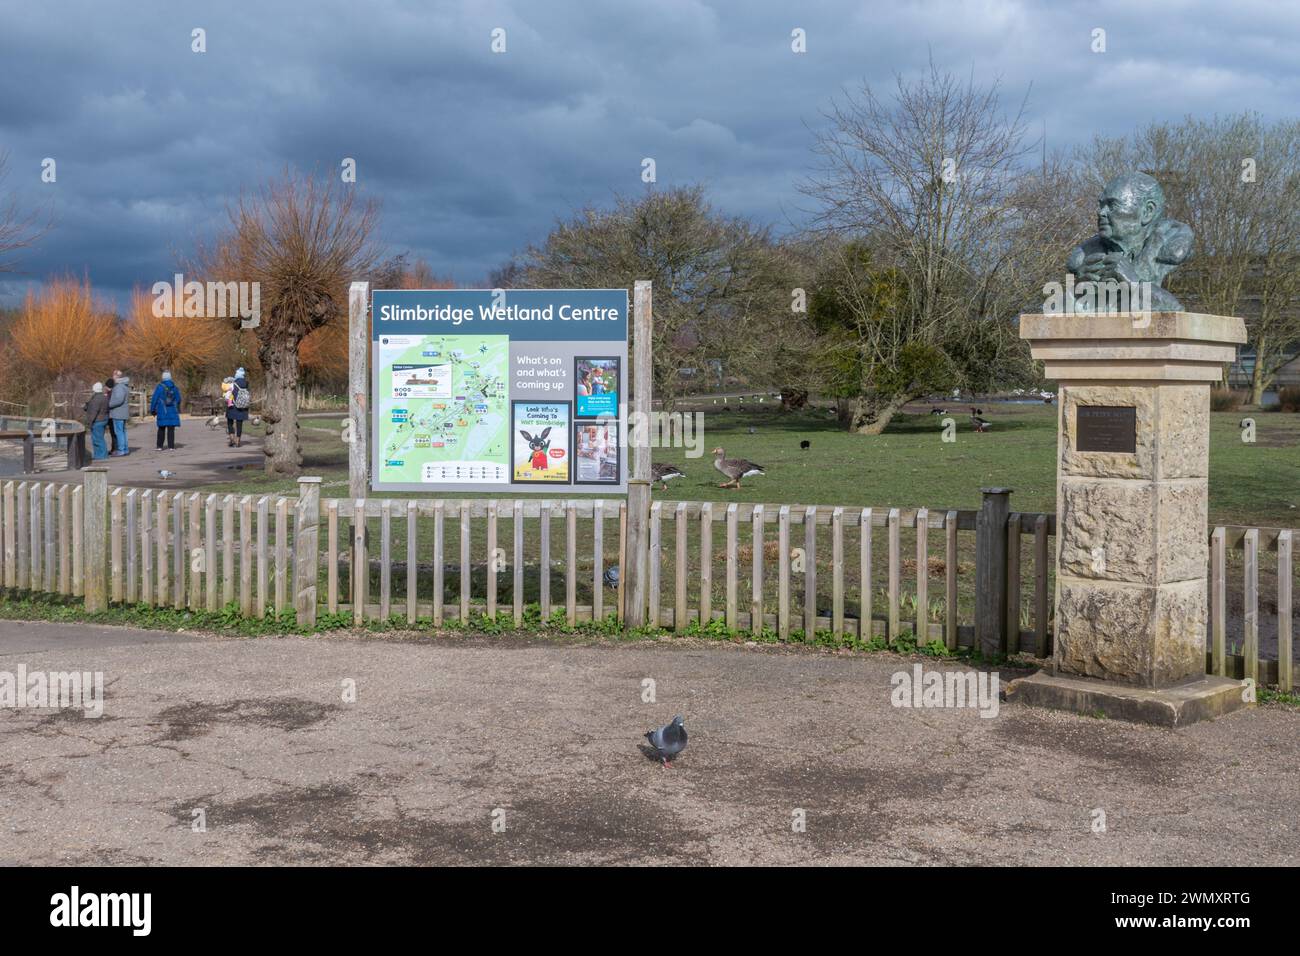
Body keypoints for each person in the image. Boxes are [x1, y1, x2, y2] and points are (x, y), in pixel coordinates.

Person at [150, 371, 183, 451]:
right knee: (171, 429)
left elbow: (154, 399)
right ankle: (171, 447)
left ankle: (159, 446)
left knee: (161, 428)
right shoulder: (174, 387)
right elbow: (179, 399)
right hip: (172, 411)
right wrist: (175, 404)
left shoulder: (159, 387)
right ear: (170, 377)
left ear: (163, 378)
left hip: (162, 411)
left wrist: (152, 409)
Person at [82, 381, 110, 461]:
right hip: (103, 419)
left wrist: (89, 423)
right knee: (98, 438)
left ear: (94, 389)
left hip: (97, 421)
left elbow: (93, 412)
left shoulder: (95, 399)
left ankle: (102, 455)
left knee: (98, 439)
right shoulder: (104, 397)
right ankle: (99, 455)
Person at [107, 369, 131, 456]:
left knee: (119, 432)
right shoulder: (124, 386)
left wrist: (108, 404)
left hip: (118, 413)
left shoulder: (119, 387)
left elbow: (118, 400)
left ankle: (121, 450)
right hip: (122, 412)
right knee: (123, 431)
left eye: (113, 375)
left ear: (117, 376)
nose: (112, 376)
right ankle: (125, 449)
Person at [227, 367, 250, 447]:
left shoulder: (232, 383)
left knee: (230, 421)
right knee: (239, 423)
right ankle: (238, 440)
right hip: (242, 405)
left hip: (232, 405)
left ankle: (231, 437)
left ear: (236, 374)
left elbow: (228, 394)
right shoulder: (246, 383)